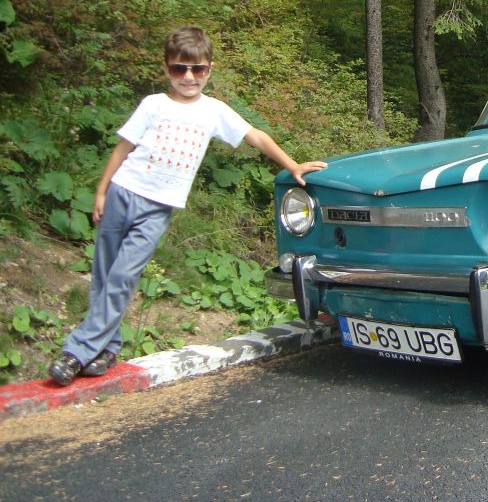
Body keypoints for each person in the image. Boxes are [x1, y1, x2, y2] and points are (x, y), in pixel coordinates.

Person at [48, 26, 327, 386]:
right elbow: (123, 148)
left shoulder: (213, 111)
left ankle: (77, 352)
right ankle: (106, 347)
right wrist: (101, 191)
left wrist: (292, 165)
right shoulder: (153, 105)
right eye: (180, 69)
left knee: (122, 276)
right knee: (104, 277)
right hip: (122, 193)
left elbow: (254, 136)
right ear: (167, 69)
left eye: (198, 70)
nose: (189, 77)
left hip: (157, 208)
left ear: (209, 69)